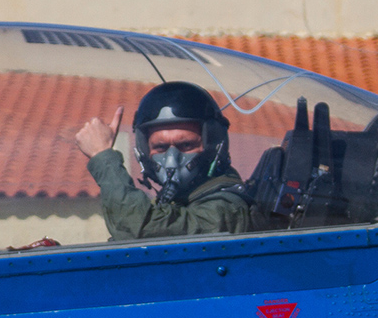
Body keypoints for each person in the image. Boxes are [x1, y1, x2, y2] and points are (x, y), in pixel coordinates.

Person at [75, 81, 250, 241]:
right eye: (160, 147)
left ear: (212, 145)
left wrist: (102, 155)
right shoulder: (180, 202)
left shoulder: (228, 208)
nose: (172, 159)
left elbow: (139, 229)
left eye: (186, 144)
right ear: (145, 151)